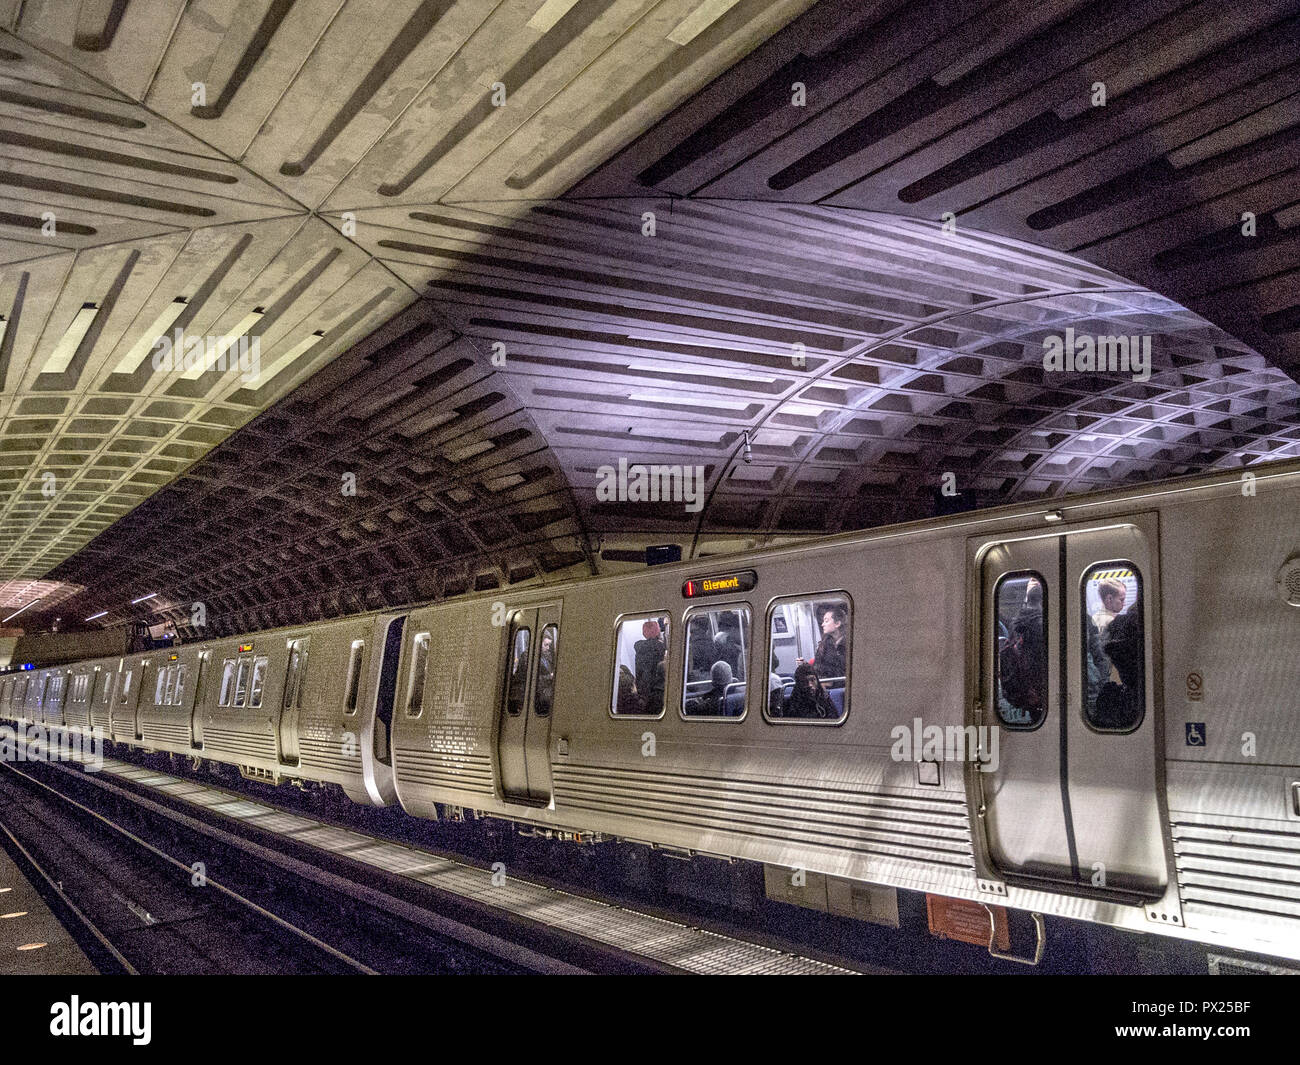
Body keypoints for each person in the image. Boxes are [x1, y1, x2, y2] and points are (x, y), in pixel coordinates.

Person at [813, 603, 848, 680]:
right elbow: (817, 666)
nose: (822, 624)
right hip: (824, 683)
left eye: (826, 621)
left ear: (837, 624)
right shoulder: (824, 644)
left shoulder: (849, 644)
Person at [634, 620, 666, 697]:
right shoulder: (660, 647)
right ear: (657, 631)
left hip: (642, 689)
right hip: (656, 689)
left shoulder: (639, 648)